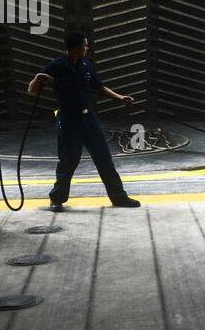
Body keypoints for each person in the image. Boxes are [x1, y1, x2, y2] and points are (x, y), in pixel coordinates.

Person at [27, 31, 141, 210]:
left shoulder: (86, 66)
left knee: (104, 158)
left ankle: (119, 198)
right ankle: (57, 199)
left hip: (89, 119)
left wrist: (120, 98)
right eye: (85, 45)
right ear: (77, 48)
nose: (87, 48)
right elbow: (32, 90)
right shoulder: (56, 66)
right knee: (68, 161)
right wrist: (37, 79)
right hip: (69, 121)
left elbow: (99, 87)